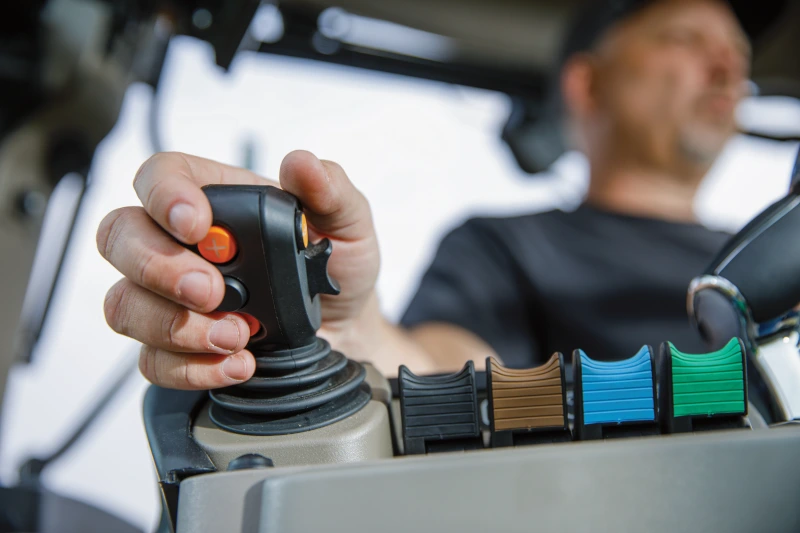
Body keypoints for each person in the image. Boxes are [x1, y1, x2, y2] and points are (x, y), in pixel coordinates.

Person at [96, 0, 754, 390]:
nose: (727, 68)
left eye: (738, 53)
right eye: (687, 40)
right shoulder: (508, 246)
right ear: (587, 86)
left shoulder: (773, 252)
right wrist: (339, 328)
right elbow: (444, 373)